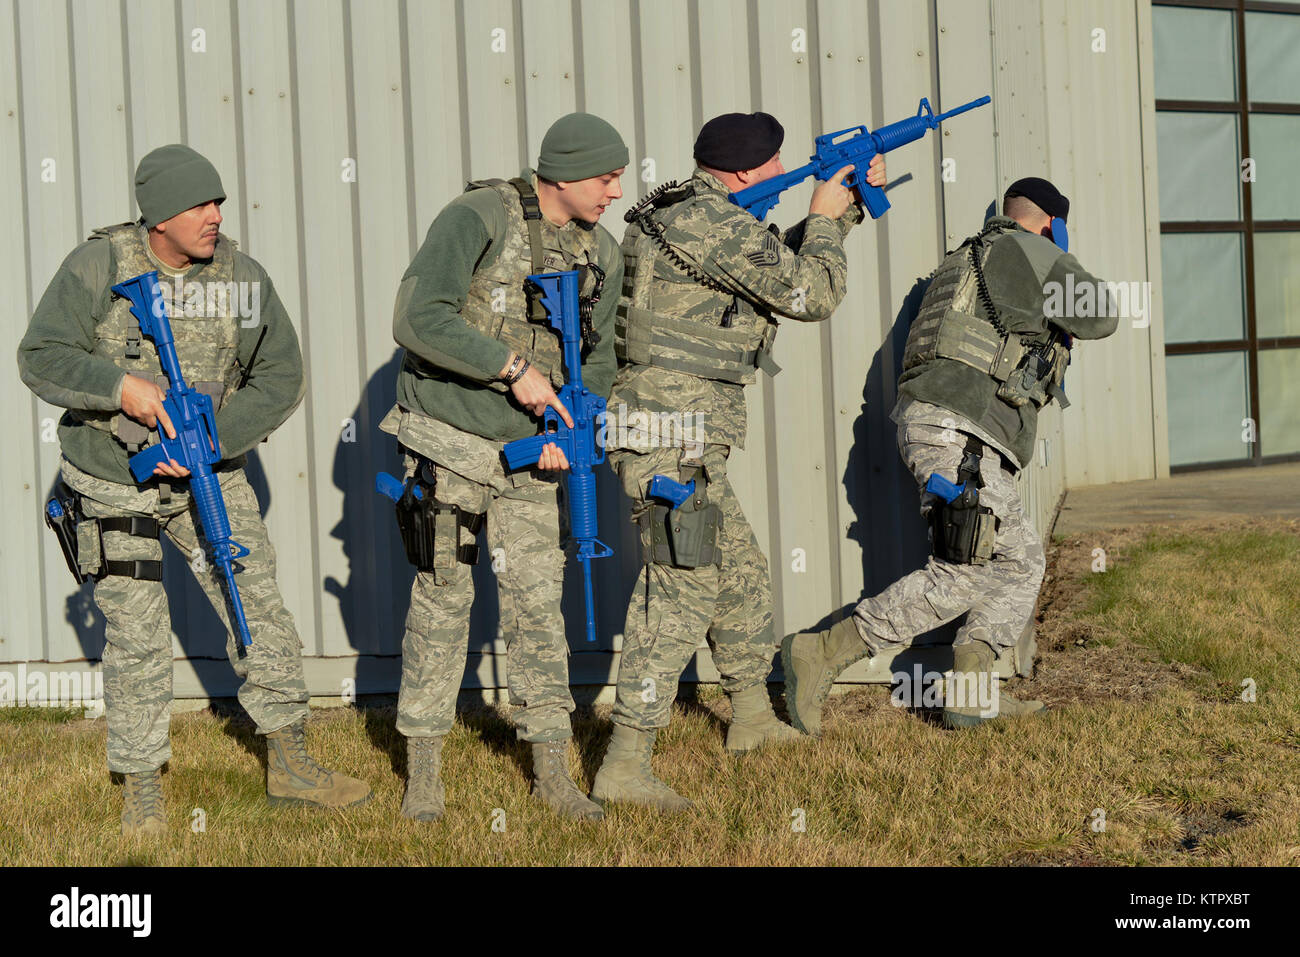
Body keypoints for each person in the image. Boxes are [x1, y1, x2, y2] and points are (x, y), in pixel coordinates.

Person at [17, 144, 371, 836]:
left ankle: (291, 761)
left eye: (219, 203)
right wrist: (123, 390)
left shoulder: (240, 276)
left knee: (255, 602)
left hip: (208, 472)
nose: (214, 216)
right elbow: (40, 354)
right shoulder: (99, 266)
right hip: (111, 475)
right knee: (139, 630)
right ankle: (141, 787)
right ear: (157, 219)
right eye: (198, 205)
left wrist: (210, 440)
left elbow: (281, 373)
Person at [588, 112, 884, 812]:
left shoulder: (696, 212)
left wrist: (846, 212)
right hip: (667, 428)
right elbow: (809, 292)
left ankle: (750, 718)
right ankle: (625, 761)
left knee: (738, 572)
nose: (785, 176)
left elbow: (766, 271)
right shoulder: (713, 223)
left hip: (684, 429)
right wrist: (823, 215)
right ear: (748, 171)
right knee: (683, 587)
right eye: (777, 165)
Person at [783, 176, 1117, 732]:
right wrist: (1062, 251)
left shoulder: (967, 258)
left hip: (952, 428)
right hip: (960, 432)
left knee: (1018, 559)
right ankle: (823, 650)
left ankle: (970, 689)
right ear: (1051, 223)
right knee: (963, 569)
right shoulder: (1031, 249)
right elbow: (1100, 314)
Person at [381, 112, 627, 823]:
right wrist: (511, 368)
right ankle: (422, 771)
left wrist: (574, 423)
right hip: (450, 437)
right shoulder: (479, 216)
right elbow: (417, 317)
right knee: (443, 599)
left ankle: (551, 767)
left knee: (536, 603)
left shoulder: (601, 254)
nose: (615, 190)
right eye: (606, 176)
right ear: (567, 171)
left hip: (532, 454)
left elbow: (603, 356)